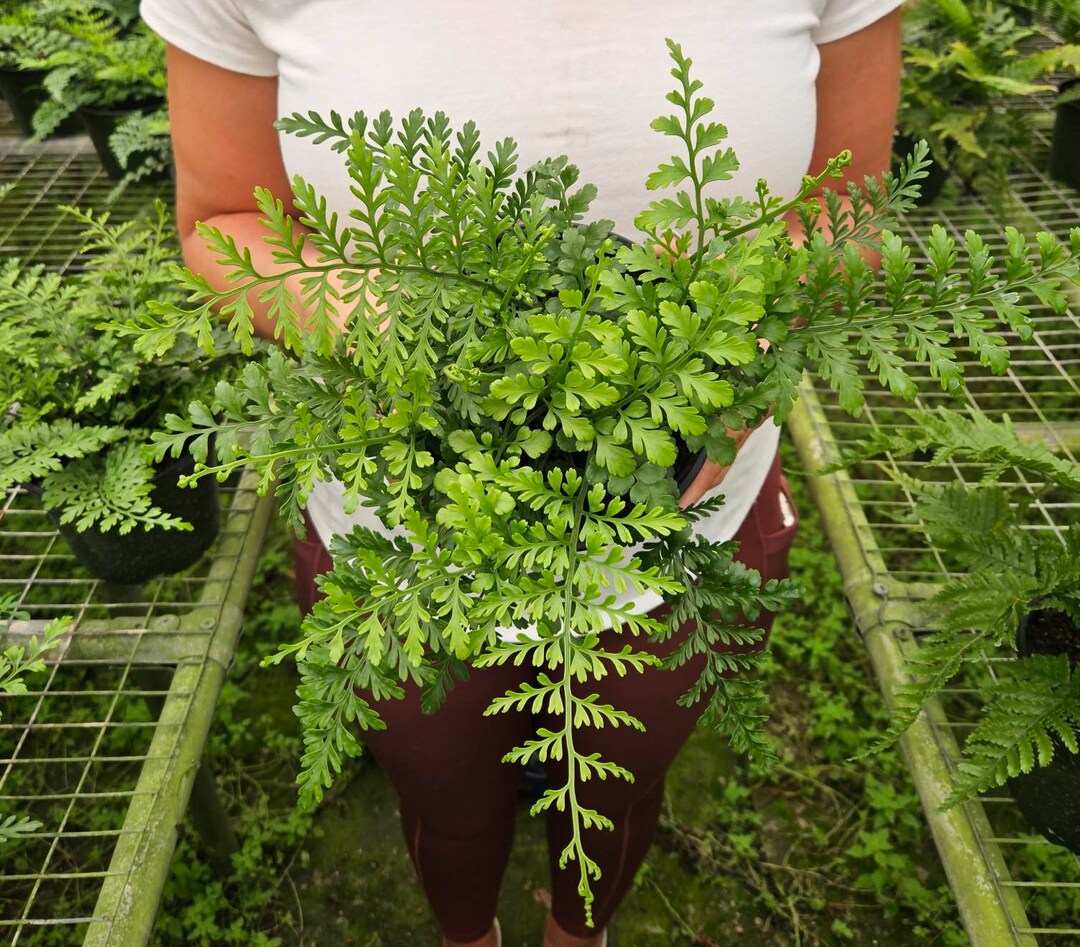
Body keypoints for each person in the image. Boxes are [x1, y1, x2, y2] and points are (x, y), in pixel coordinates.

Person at [140, 3, 903, 945]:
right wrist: (385, 324)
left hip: (686, 533)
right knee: (448, 804)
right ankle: (470, 933)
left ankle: (579, 933)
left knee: (617, 798)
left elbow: (851, 209)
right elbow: (223, 219)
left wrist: (732, 347)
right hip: (400, 539)